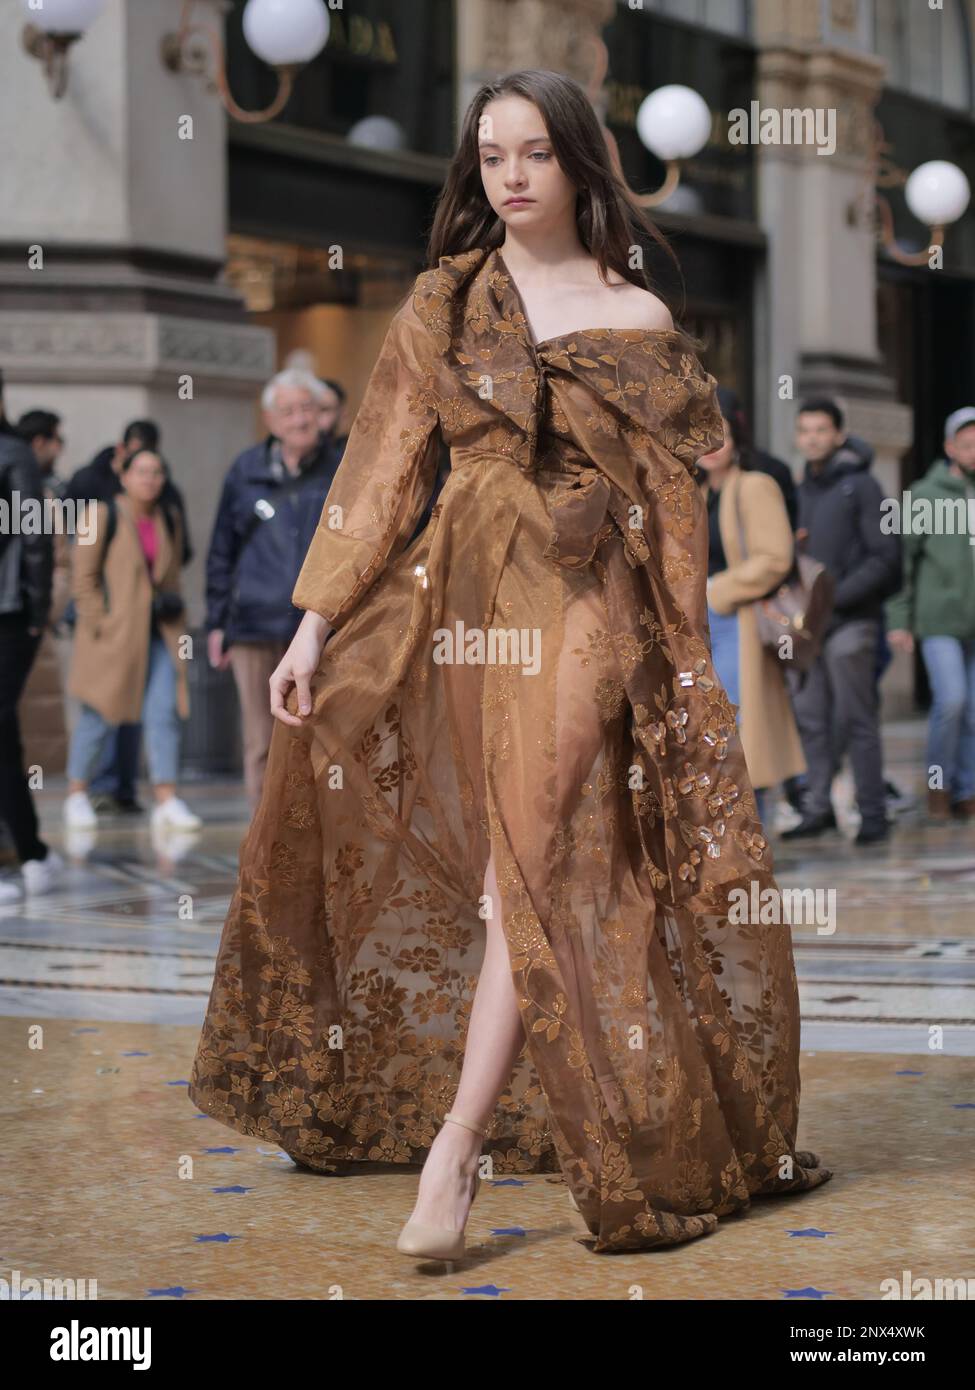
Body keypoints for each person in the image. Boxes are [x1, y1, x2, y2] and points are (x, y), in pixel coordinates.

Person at [188, 68, 831, 1260]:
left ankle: (456, 1146)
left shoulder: (637, 318)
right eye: (493, 156)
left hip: (585, 595)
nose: (513, 175)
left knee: (527, 850)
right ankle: (490, 1118)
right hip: (460, 591)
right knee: (506, 855)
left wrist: (686, 671)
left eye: (535, 151)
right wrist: (316, 626)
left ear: (583, 162)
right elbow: (379, 467)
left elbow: (676, 503)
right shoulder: (445, 298)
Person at [205, 369, 340, 811]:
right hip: (254, 624)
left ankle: (319, 841)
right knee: (261, 740)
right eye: (288, 411)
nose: (300, 420)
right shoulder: (245, 470)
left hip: (322, 623)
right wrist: (217, 623)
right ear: (269, 418)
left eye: (308, 409)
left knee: (322, 735)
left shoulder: (342, 466)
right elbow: (221, 550)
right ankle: (265, 845)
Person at [783, 398, 901, 844]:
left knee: (856, 718)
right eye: (805, 430)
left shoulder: (864, 486)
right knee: (811, 718)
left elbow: (886, 559)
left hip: (853, 621)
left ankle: (873, 814)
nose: (812, 438)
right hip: (809, 626)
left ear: (838, 434)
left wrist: (833, 600)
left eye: (820, 430)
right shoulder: (802, 489)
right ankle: (819, 809)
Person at [63, 449, 201, 831]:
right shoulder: (101, 515)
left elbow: (172, 576)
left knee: (163, 712)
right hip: (112, 636)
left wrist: (178, 613)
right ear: (124, 476)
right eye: (142, 471)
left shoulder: (167, 517)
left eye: (157, 472)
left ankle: (166, 798)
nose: (150, 479)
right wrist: (101, 623)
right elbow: (82, 578)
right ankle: (76, 793)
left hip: (158, 633)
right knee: (99, 713)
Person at [698, 388, 805, 826]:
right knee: (710, 730)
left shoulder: (756, 485)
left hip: (735, 619)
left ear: (736, 434)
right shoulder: (697, 491)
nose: (709, 445)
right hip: (701, 622)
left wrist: (716, 590)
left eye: (717, 434)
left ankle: (750, 835)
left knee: (739, 729)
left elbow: (776, 557)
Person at [887, 406, 975, 821]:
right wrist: (899, 619)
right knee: (952, 700)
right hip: (938, 620)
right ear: (949, 447)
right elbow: (903, 561)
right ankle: (939, 787)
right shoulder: (925, 495)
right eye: (967, 443)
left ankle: (968, 790)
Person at [0, 375, 64, 902]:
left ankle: (24, 856)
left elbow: (33, 531)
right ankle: (30, 851)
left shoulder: (14, 452)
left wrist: (37, 611)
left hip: (8, 613)